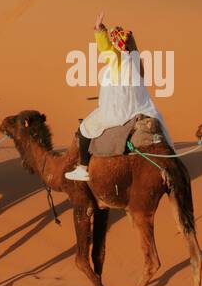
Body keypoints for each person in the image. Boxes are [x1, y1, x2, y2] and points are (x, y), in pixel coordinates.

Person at [65, 10, 167, 182]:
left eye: (114, 40)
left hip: (118, 111)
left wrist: (99, 31)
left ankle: (83, 167)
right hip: (138, 107)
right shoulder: (135, 58)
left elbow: (105, 48)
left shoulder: (119, 58)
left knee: (85, 128)